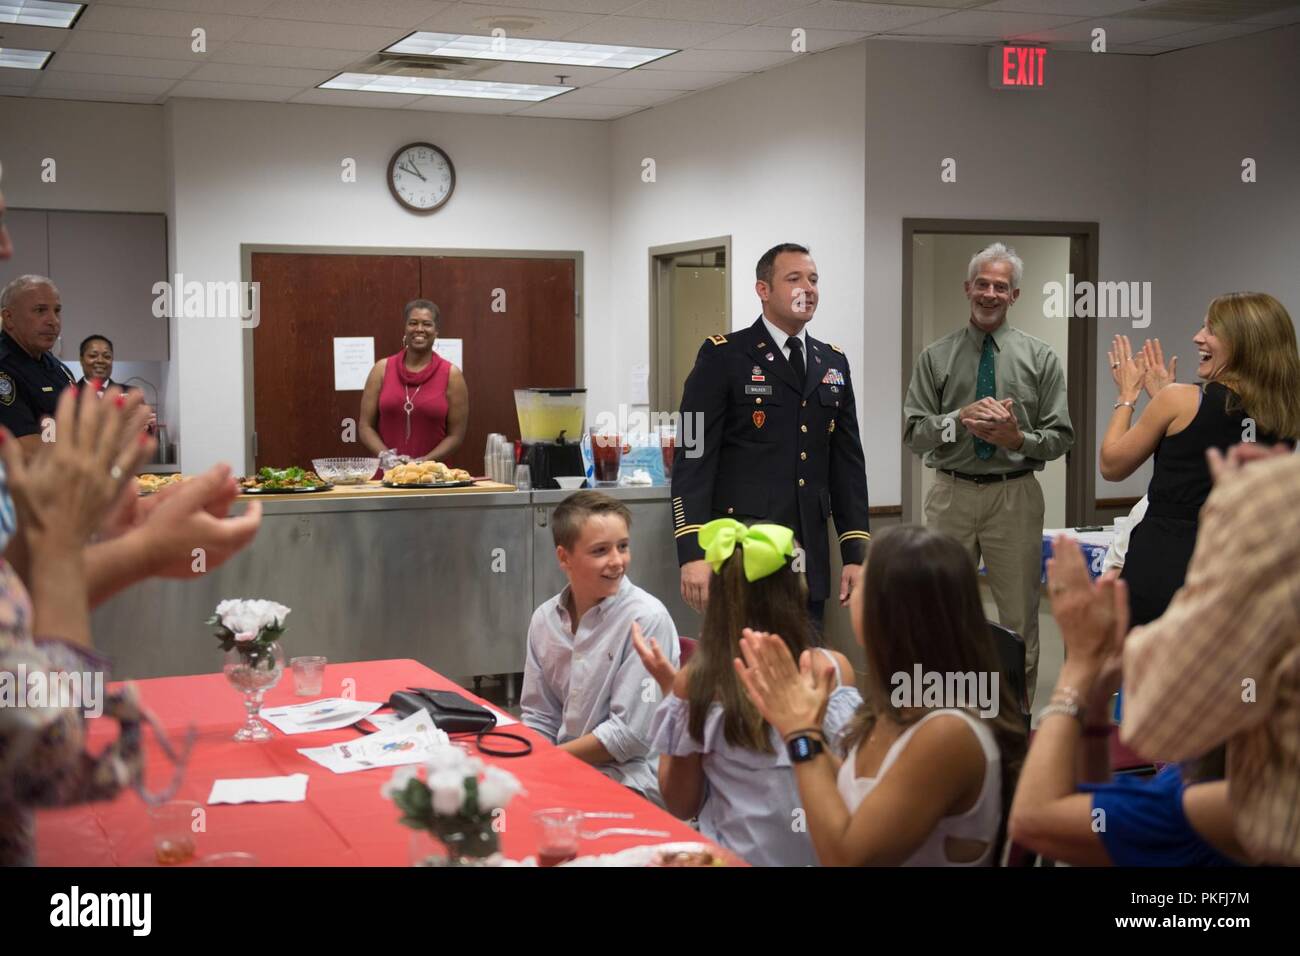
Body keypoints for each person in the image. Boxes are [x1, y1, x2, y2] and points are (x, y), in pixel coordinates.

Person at [736, 524, 1027, 867]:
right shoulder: (899, 703)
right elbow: (861, 794)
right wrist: (796, 724)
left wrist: (802, 735)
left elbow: (847, 859)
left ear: (891, 611)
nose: (851, 592)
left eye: (861, 583)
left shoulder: (948, 733)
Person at [631, 518, 859, 866]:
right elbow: (853, 785)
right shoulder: (832, 669)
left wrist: (674, 698)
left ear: (716, 598)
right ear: (797, 591)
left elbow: (680, 802)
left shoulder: (698, 682)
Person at [903, 242, 1073, 704]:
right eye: (983, 284)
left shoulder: (1041, 359)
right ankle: (946, 723)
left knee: (1018, 619)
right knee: (940, 611)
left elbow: (1062, 437)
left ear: (1015, 295)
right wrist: (958, 418)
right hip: (950, 494)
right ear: (967, 288)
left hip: (1013, 496)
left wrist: (1019, 440)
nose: (990, 294)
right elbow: (915, 434)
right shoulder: (936, 358)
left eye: (1001, 286)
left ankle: (1013, 725)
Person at [1008, 536, 1245, 866]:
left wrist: (1078, 667)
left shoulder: (1215, 802)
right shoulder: (1222, 767)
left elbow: (1033, 821)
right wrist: (1094, 713)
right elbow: (1097, 826)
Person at [671, 243, 871, 627]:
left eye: (813, 280)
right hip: (742, 553)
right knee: (742, 672)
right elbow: (691, 454)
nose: (807, 289)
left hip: (807, 556)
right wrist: (692, 551)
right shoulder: (722, 356)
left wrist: (855, 554)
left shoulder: (832, 362)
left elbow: (848, 465)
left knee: (803, 672)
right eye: (793, 279)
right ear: (763, 290)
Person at [1102, 293, 1300, 625]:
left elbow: (1112, 465)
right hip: (1240, 575)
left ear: (1243, 343)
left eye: (1211, 329)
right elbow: (1210, 448)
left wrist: (1127, 397)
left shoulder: (1178, 400)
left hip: (1165, 569)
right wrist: (1165, 403)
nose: (1198, 337)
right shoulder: (1284, 417)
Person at [520, 491, 679, 805]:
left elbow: (630, 737)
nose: (617, 561)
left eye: (623, 546)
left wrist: (546, 763)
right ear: (564, 557)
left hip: (632, 780)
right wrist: (535, 765)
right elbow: (539, 717)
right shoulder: (544, 620)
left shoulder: (646, 618)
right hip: (565, 769)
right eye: (600, 551)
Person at [359, 299, 468, 465]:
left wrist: (423, 463)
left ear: (436, 330)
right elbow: (365, 427)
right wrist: (386, 456)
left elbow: (456, 436)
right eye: (413, 323)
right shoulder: (381, 369)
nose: (419, 329)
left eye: (427, 324)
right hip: (387, 477)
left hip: (433, 478)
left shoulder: (451, 375)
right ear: (405, 328)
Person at [0, 275, 77, 456]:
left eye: (57, 311)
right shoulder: (4, 368)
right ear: (9, 318)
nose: (53, 321)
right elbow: (24, 447)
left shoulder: (57, 368)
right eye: (40, 310)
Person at [76, 334, 158, 432]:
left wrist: (148, 426)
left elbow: (146, 438)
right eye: (93, 356)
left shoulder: (132, 394)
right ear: (81, 360)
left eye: (107, 356)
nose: (100, 360)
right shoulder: (68, 395)